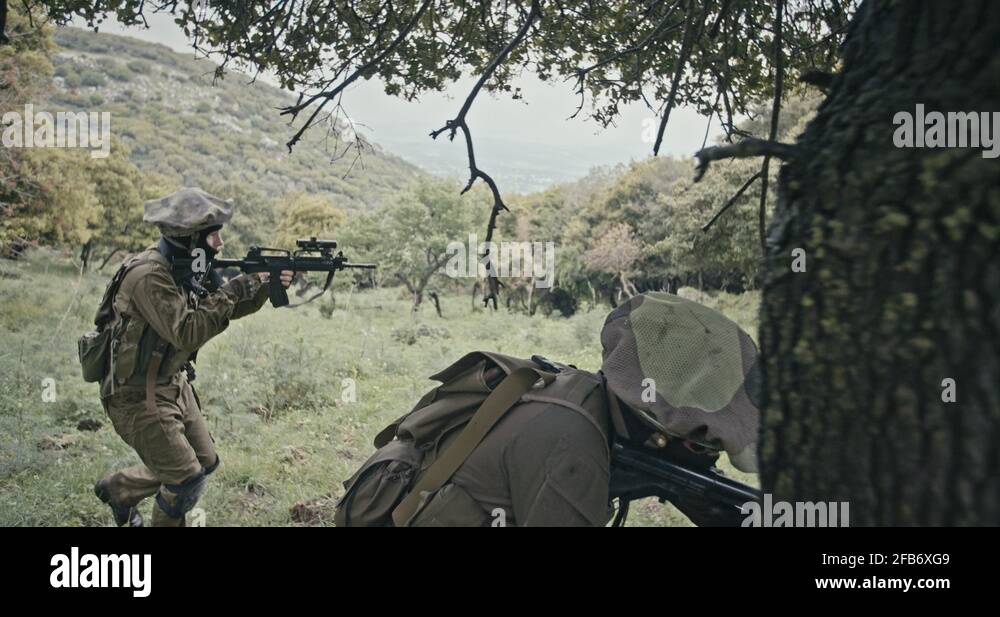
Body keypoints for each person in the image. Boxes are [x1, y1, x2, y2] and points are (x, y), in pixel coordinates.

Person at [337, 291, 761, 527]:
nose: (707, 451)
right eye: (699, 443)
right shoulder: (572, 442)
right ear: (658, 425)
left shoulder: (591, 398)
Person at [92, 187, 293, 527]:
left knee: (205, 462)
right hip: (134, 394)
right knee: (185, 479)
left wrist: (262, 285)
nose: (220, 243)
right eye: (213, 235)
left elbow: (221, 309)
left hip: (170, 383)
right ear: (189, 239)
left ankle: (120, 489)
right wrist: (239, 285)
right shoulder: (150, 276)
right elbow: (187, 332)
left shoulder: (187, 269)